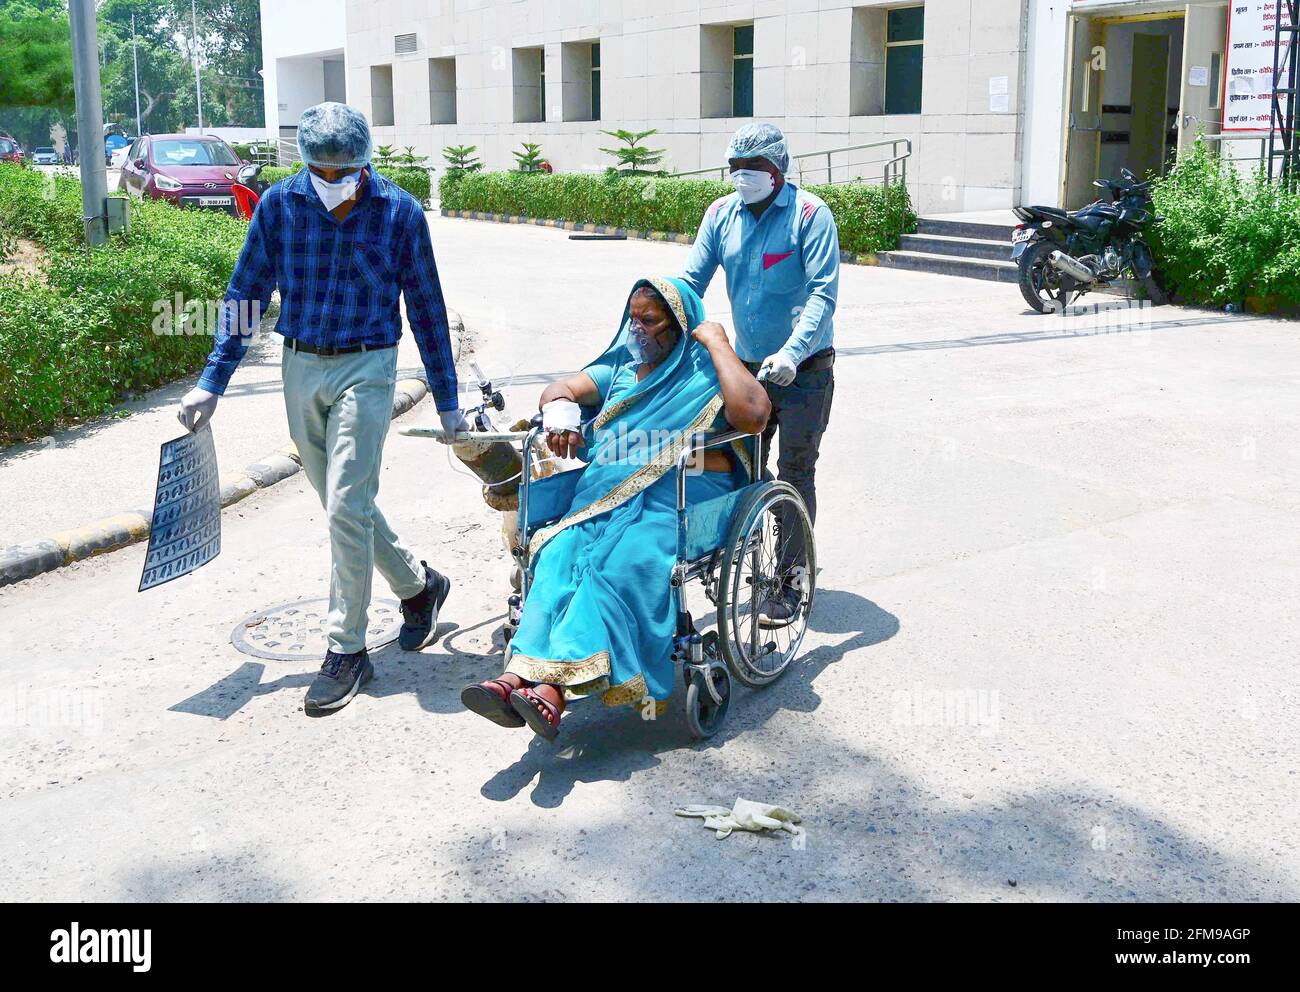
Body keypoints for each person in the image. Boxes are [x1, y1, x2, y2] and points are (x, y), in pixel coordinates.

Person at [174, 102, 470, 715]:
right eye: (321, 169)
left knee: (344, 504)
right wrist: (212, 381)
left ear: (366, 163)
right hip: (301, 364)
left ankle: (346, 648)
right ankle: (420, 588)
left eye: (346, 170)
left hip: (369, 363)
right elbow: (244, 295)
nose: (333, 180)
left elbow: (427, 309)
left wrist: (448, 405)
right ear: (304, 161)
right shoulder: (281, 206)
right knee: (344, 504)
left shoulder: (399, 213)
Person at [460, 277, 770, 741]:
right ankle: (516, 676)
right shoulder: (621, 370)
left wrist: (719, 343)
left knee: (621, 563)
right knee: (559, 550)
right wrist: (561, 411)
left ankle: (555, 689)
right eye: (633, 319)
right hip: (608, 495)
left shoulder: (705, 371)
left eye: (650, 320)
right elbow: (559, 389)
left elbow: (754, 415)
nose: (637, 330)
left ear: (681, 325)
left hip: (685, 494)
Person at [681, 123, 839, 628]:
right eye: (735, 169)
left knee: (797, 469)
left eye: (754, 169)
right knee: (732, 462)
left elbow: (822, 293)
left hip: (804, 370)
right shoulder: (720, 214)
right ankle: (750, 533)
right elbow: (693, 281)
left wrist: (794, 351)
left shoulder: (810, 215)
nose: (743, 177)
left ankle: (791, 579)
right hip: (747, 371)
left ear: (778, 170)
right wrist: (663, 315)